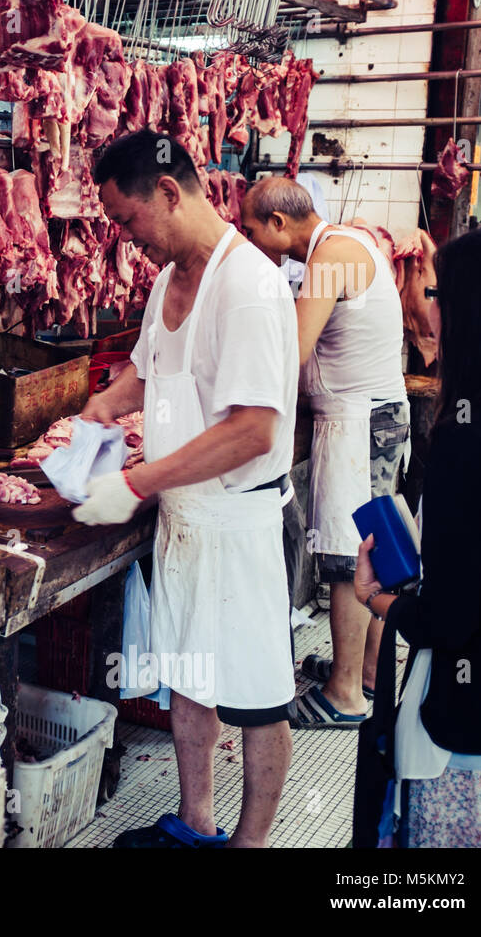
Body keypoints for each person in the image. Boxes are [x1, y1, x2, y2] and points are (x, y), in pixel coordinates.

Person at [76, 131, 298, 848]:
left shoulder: (249, 286)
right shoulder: (167, 280)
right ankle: (195, 820)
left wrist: (135, 481)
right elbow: (147, 369)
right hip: (184, 517)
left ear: (169, 192)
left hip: (239, 522)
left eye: (126, 221)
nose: (124, 238)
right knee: (189, 676)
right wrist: (100, 411)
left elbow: (254, 431)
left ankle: (251, 842)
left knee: (259, 698)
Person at [353, 221, 481, 846]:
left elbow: (449, 623)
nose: (428, 310)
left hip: (473, 742)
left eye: (439, 296)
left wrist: (377, 598)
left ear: (480, 314)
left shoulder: (466, 445)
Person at [240, 177, 410, 727]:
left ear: (278, 224)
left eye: (249, 229)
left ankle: (344, 697)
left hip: (357, 424)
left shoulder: (332, 257)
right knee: (373, 551)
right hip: (372, 417)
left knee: (348, 558)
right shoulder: (349, 243)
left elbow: (290, 350)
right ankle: (364, 671)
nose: (247, 240)